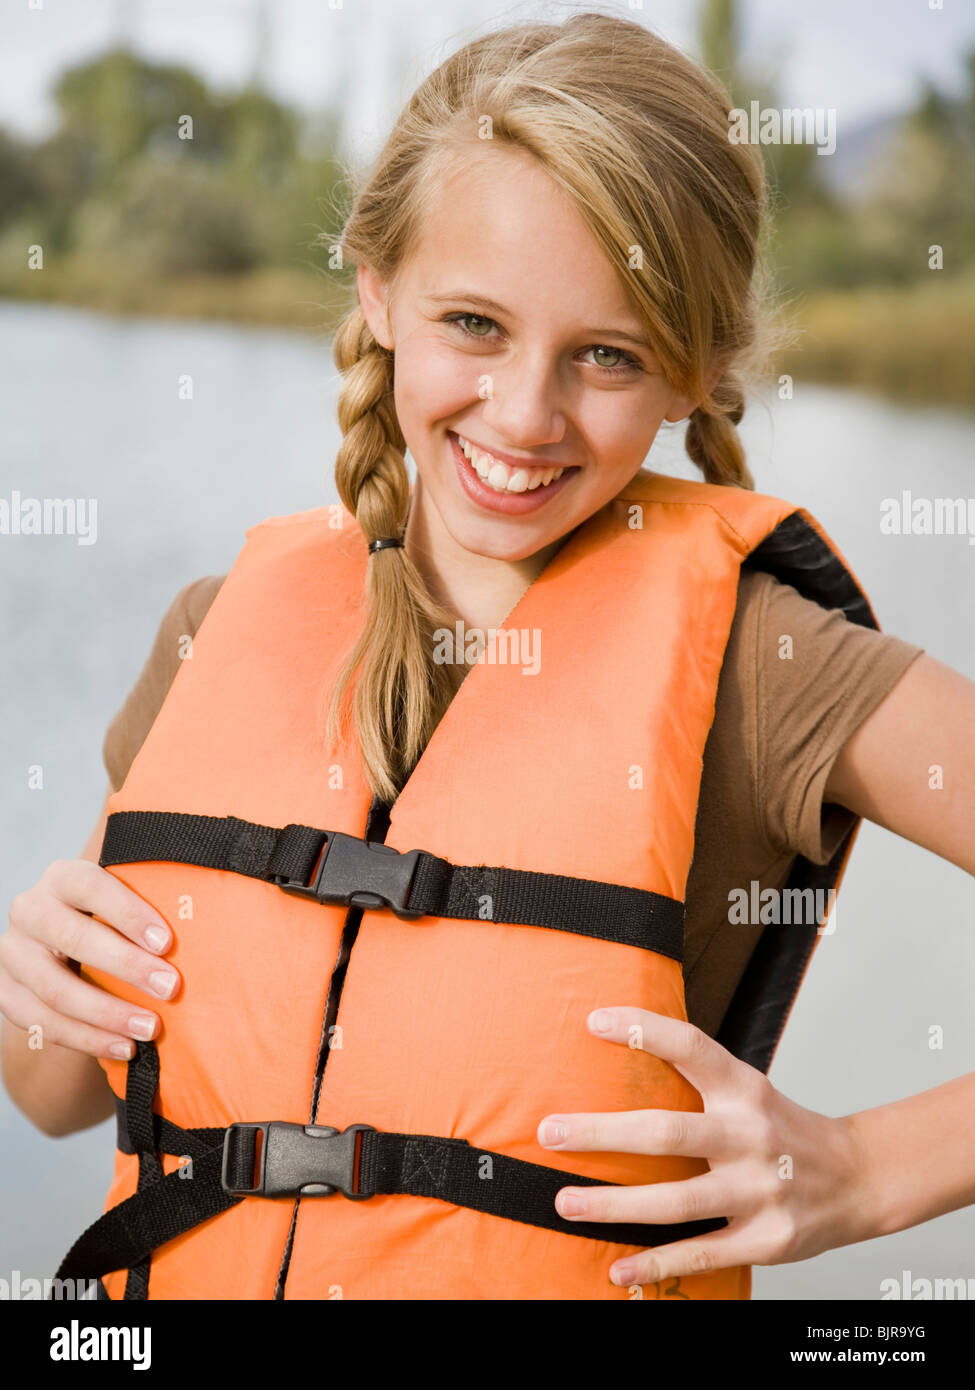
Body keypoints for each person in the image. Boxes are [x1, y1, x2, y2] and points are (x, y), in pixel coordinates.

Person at [2, 12, 974, 1300]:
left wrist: (862, 1168)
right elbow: (55, 1096)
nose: (522, 415)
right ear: (376, 288)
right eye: (474, 323)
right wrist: (31, 979)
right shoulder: (214, 624)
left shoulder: (770, 668)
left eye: (608, 356)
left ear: (700, 372)